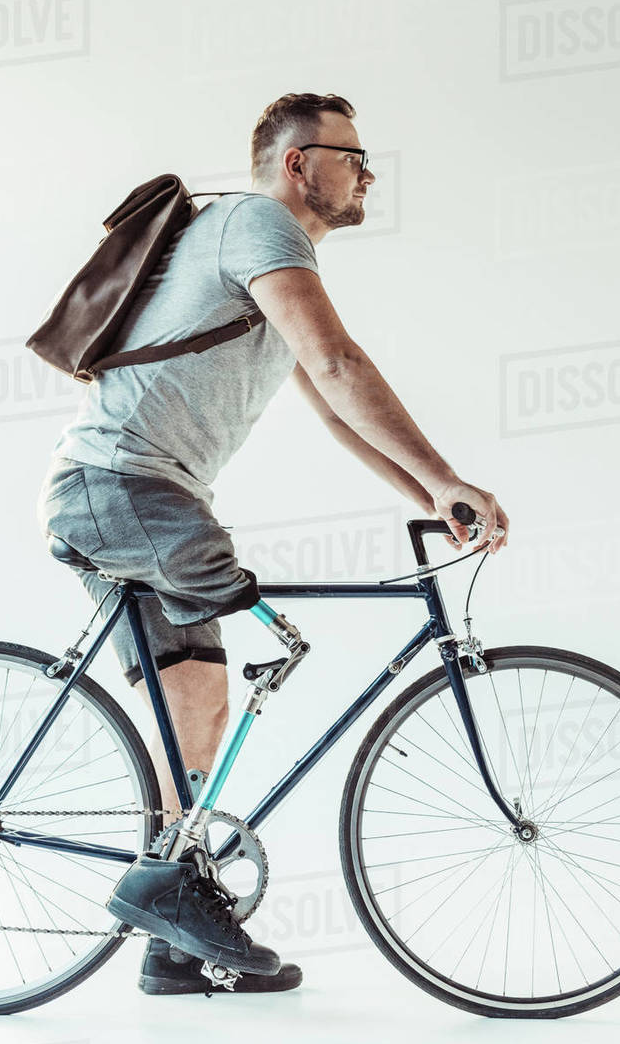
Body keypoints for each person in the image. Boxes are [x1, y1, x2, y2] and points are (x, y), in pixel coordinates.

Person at [36, 92, 509, 996]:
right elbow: (339, 362)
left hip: (126, 497)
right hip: (123, 487)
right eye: (352, 155)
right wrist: (451, 478)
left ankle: (171, 941)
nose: (367, 171)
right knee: (264, 647)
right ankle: (169, 889)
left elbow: (330, 407)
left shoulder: (250, 250)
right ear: (299, 163)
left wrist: (428, 496)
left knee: (198, 710)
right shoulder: (258, 225)